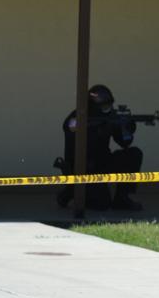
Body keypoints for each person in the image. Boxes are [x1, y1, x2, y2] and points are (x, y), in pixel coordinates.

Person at [55, 83, 143, 211]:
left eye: (109, 105)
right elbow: (70, 128)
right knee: (101, 204)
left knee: (134, 154)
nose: (108, 108)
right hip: (83, 168)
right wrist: (99, 128)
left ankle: (122, 199)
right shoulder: (77, 117)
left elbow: (125, 143)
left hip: (102, 162)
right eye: (104, 106)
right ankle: (70, 192)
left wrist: (125, 128)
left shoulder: (109, 116)